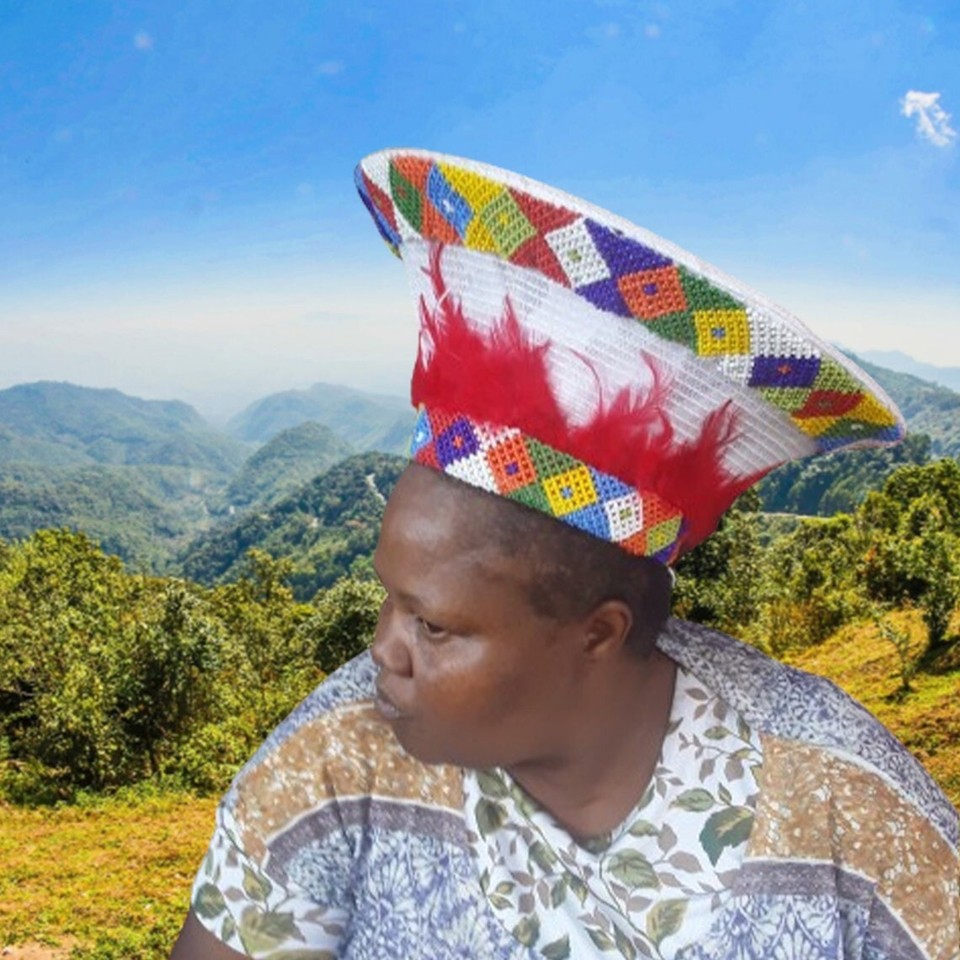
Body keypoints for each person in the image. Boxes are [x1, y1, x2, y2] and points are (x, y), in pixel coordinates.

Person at [171, 150, 959, 959]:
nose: (382, 648)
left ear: (598, 632)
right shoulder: (338, 757)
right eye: (390, 600)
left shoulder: (851, 819)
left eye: (434, 627)